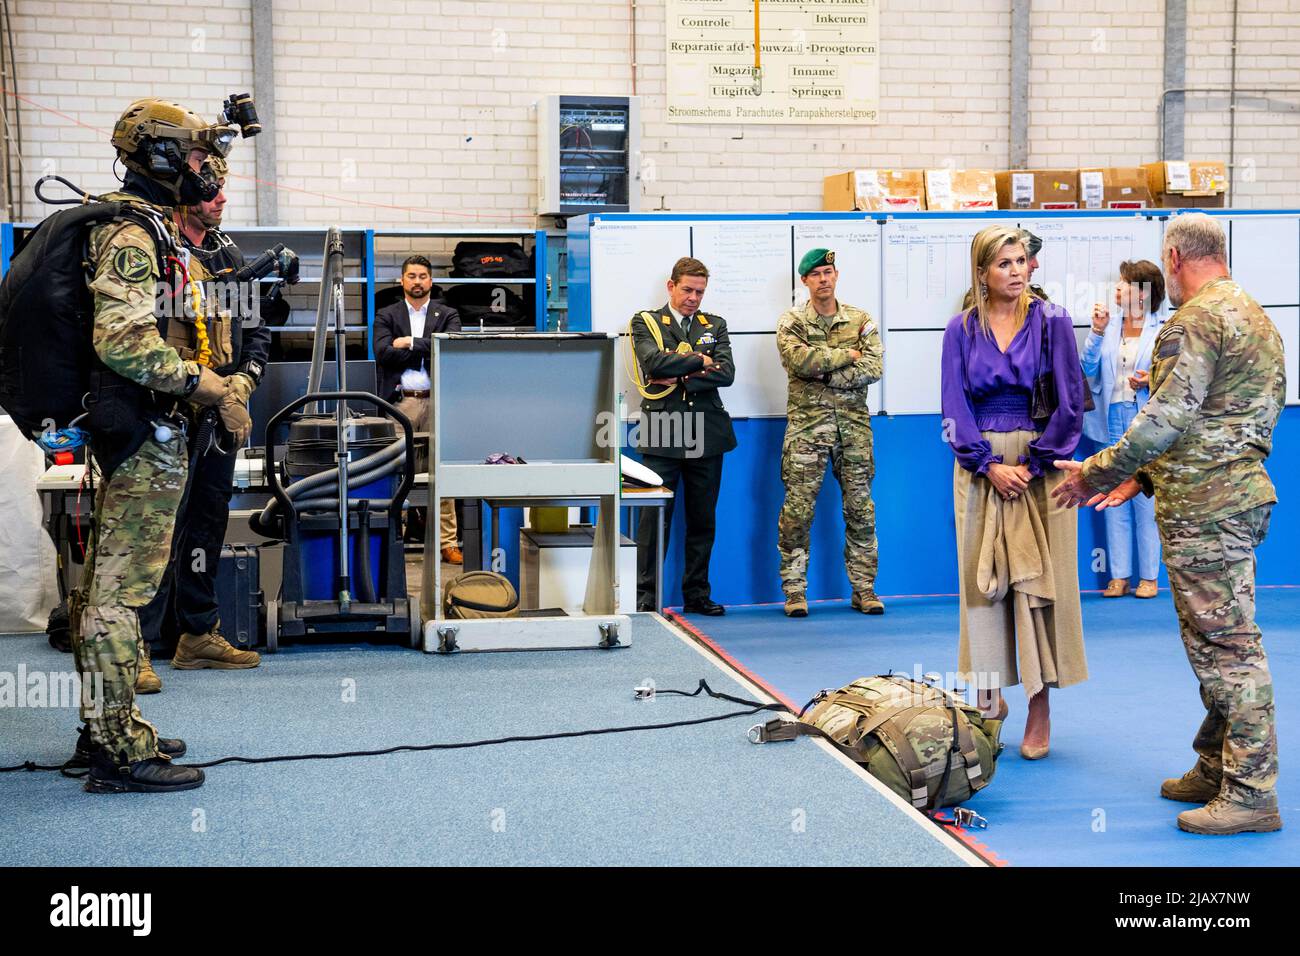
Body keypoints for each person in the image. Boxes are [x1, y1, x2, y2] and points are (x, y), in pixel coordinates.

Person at [1054, 213, 1285, 835]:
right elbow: (1225, 426)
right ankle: (1217, 765)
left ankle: (1251, 793)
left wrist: (1097, 473)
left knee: (1228, 648)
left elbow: (1164, 418)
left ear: (1175, 257)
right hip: (1229, 497)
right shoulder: (1256, 318)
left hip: (1207, 509)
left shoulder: (1193, 321)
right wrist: (1145, 478)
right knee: (1212, 641)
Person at [69, 97, 253, 792]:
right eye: (201, 159)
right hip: (145, 428)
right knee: (122, 594)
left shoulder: (152, 227)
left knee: (108, 590)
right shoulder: (132, 233)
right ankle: (120, 750)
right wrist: (208, 386)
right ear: (165, 159)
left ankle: (101, 729)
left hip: (146, 427)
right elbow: (124, 343)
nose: (209, 173)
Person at [940, 225, 1086, 760]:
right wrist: (986, 465)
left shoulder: (1054, 323)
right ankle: (988, 698)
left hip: (1042, 470)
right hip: (979, 472)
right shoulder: (960, 328)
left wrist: (1033, 462)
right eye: (1003, 264)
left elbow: (1070, 403)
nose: (1016, 271)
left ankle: (1040, 706)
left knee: (1038, 585)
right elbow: (953, 409)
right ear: (982, 273)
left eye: (1021, 260)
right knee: (984, 583)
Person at [133, 155, 276, 692]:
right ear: (184, 191)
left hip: (219, 416)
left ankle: (197, 634)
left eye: (223, 190)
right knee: (152, 531)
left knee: (206, 522)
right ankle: (139, 648)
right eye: (211, 190)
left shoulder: (229, 255)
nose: (221, 199)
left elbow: (254, 330)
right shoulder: (157, 252)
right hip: (161, 415)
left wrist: (243, 383)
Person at [776, 248, 883, 618]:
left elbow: (874, 366)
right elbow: (798, 360)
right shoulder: (792, 322)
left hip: (853, 431)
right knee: (797, 513)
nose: (824, 278)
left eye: (829, 271)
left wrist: (823, 370)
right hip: (807, 433)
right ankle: (794, 592)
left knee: (861, 511)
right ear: (804, 281)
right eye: (816, 273)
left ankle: (864, 590)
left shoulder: (860, 319)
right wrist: (846, 356)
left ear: (837, 275)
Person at [630, 256, 736, 615]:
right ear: (671, 286)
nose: (693, 297)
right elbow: (653, 364)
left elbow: (727, 374)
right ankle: (646, 596)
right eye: (688, 289)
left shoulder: (715, 325)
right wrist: (701, 361)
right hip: (663, 431)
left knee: (703, 519)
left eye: (700, 292)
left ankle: (697, 594)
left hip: (707, 433)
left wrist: (680, 371)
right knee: (653, 521)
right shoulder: (646, 322)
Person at [1080, 260, 1166, 598]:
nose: (1117, 288)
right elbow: (1087, 368)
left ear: (1143, 294)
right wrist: (1097, 332)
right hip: (1111, 417)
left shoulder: (1163, 328)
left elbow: (1173, 375)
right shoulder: (1110, 326)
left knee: (1144, 500)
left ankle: (1149, 577)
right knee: (1111, 497)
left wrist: (1149, 379)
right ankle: (1119, 576)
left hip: (1143, 419)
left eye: (1125, 283)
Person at [374, 255, 463, 564]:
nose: (417, 281)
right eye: (411, 276)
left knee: (442, 472)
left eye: (423, 276)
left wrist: (409, 342)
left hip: (438, 400)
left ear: (431, 281)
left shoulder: (447, 313)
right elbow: (383, 354)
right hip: (402, 403)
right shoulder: (386, 314)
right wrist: (425, 346)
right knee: (397, 471)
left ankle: (446, 543)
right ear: (402, 281)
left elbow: (450, 347)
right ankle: (395, 537)